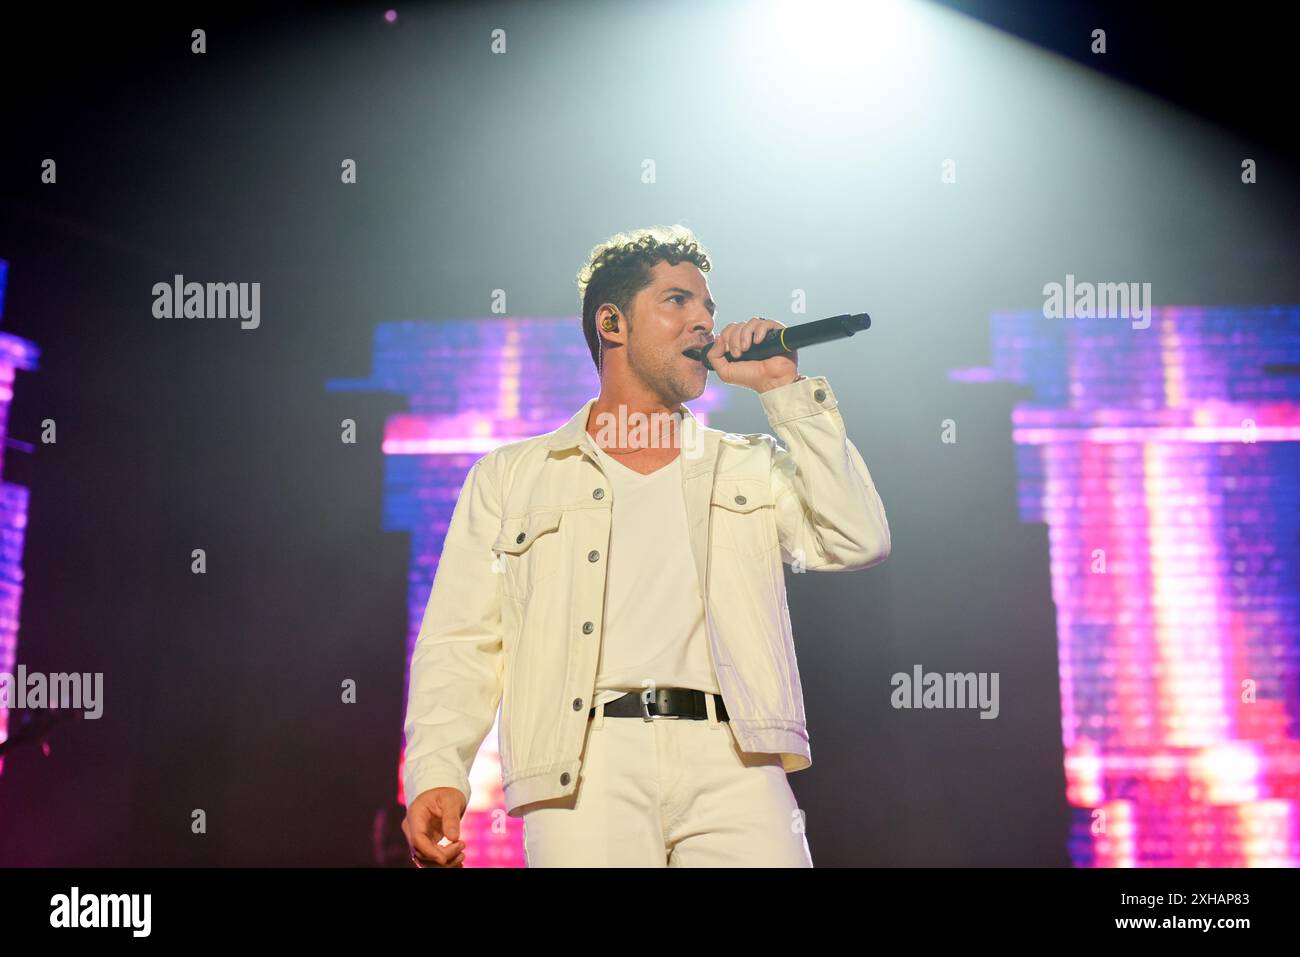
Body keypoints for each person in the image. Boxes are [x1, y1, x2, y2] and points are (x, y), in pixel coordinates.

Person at [402, 225, 890, 867]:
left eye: (709, 308)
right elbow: (461, 640)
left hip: (736, 760)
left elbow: (857, 538)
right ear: (612, 323)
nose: (704, 323)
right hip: (582, 770)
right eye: (678, 301)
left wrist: (783, 391)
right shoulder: (513, 477)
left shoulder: (744, 466)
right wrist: (438, 771)